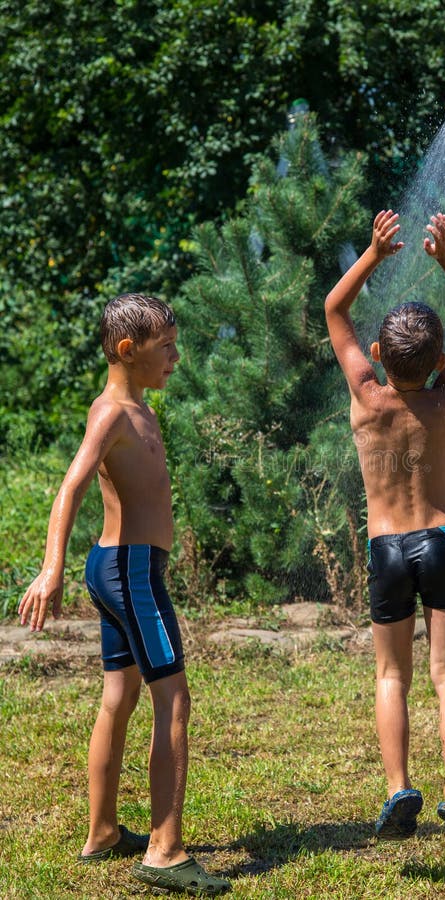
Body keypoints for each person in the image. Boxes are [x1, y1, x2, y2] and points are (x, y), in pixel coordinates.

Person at [18, 293, 231, 896]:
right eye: (166, 348)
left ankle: (104, 832)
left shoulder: (142, 410)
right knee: (175, 699)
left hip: (125, 567)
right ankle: (165, 852)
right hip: (130, 571)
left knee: (120, 694)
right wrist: (49, 567)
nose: (176, 358)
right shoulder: (110, 412)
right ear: (126, 350)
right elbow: (72, 484)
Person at [325, 210, 445, 840]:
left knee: (392, 673)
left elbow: (335, 311)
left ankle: (399, 789)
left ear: (375, 355)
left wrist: (372, 253)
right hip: (440, 542)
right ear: (442, 356)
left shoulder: (367, 395)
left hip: (386, 548)